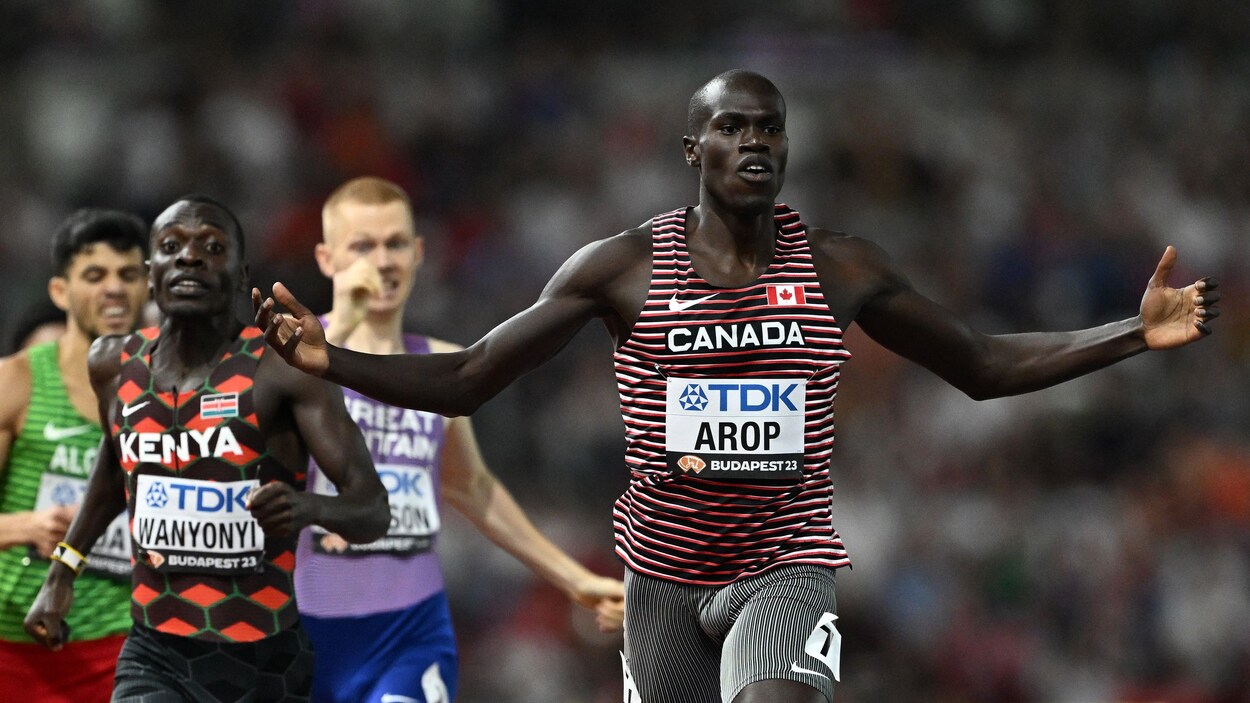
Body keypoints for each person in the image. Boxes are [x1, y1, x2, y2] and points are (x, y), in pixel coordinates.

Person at [253, 71, 1222, 703]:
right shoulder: (619, 269)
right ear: (692, 153)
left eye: (769, 129)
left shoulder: (840, 267)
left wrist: (1128, 335)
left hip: (783, 560)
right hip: (660, 580)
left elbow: (976, 365)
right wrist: (330, 361)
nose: (753, 143)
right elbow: (468, 378)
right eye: (729, 128)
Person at [25, 195, 390, 703]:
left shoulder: (281, 368)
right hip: (156, 653)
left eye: (211, 247)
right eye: (171, 247)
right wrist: (63, 570)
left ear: (241, 274)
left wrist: (307, 507)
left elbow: (373, 509)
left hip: (266, 662)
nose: (189, 257)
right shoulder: (113, 364)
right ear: (150, 274)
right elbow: (116, 470)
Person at [294, 176, 624, 703]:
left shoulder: (442, 365)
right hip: (306, 630)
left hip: (411, 633)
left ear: (419, 251)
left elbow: (472, 488)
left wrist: (573, 578)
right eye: (362, 245)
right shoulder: (290, 361)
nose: (383, 261)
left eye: (396, 243)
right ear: (326, 258)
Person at [0, 209, 149, 702]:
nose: (114, 289)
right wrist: (25, 526)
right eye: (94, 275)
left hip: (118, 645)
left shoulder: (162, 390)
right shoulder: (17, 380)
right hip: (13, 647)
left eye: (128, 275)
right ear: (60, 291)